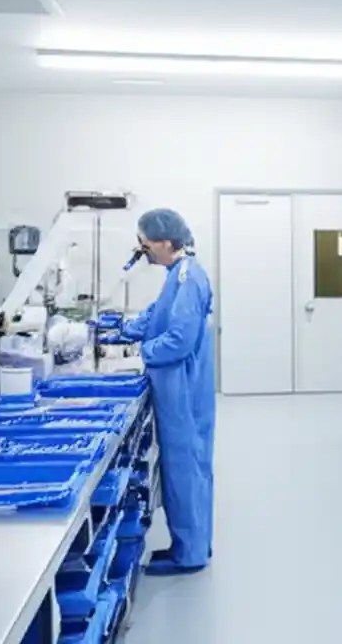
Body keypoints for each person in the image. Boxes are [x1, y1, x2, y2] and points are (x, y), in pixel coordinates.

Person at [121, 208, 215, 575]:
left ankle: (188, 555)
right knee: (189, 468)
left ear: (164, 241)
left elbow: (179, 339)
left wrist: (141, 352)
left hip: (182, 390)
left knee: (185, 469)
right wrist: (127, 329)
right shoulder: (178, 273)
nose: (144, 250)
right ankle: (193, 543)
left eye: (146, 243)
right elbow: (159, 314)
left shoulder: (188, 277)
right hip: (180, 387)